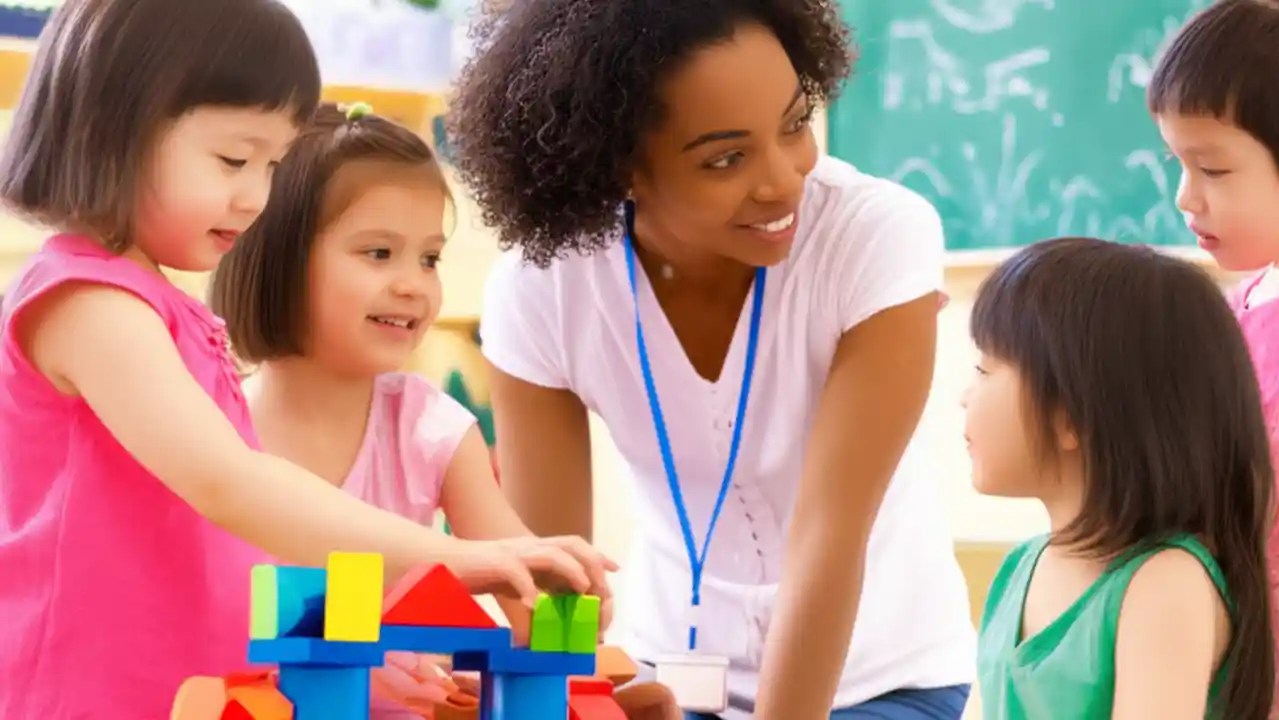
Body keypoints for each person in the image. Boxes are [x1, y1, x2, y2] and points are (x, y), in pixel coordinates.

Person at [0, 2, 609, 717]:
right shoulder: (89, 304)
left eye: (273, 165)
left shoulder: (158, 307)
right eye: (234, 159)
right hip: (92, 696)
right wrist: (456, 556)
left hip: (187, 691)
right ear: (112, 129)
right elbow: (230, 485)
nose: (255, 196)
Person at [447, 1, 976, 717]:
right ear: (620, 167)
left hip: (879, 679)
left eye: (794, 125)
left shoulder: (875, 236)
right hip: (668, 674)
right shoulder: (543, 286)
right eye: (727, 158)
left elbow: (830, 533)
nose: (783, 180)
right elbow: (551, 566)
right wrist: (558, 702)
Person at [210, 102, 676, 720]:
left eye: (428, 258)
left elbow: (519, 583)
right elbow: (195, 625)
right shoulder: (210, 433)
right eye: (379, 253)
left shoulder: (430, 429)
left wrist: (562, 601)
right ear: (274, 257)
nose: (413, 284)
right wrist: (339, 665)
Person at [968, 238, 1274, 719]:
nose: (964, 397)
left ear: (1070, 415)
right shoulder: (1018, 569)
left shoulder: (1164, 584)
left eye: (984, 370)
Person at [1146, 1, 1279, 709]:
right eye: (1178, 163)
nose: (1184, 197)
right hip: (1233, 647)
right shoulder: (1235, 308)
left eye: (1214, 170)